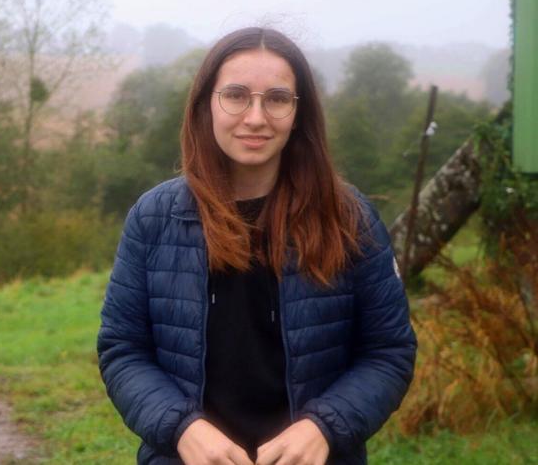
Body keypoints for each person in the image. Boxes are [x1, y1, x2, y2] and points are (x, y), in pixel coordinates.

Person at [97, 27, 417, 465]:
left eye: (277, 98)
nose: (255, 117)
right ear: (206, 104)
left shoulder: (350, 218)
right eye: (236, 95)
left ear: (298, 112)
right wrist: (182, 428)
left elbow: (388, 351)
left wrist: (325, 427)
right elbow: (123, 349)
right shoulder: (153, 218)